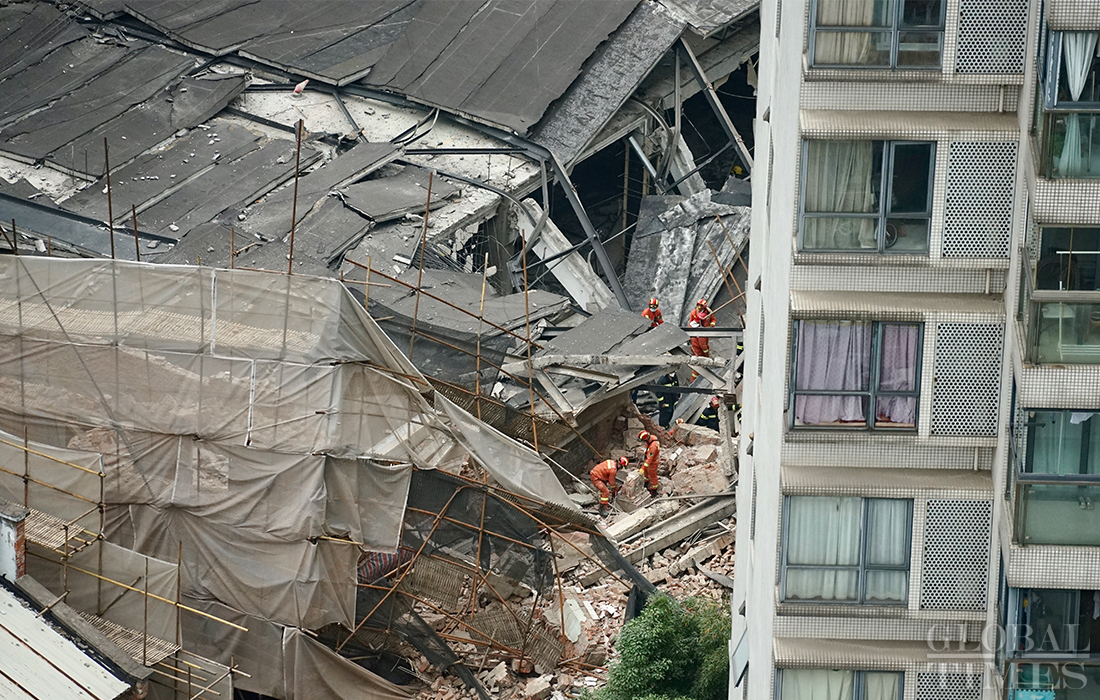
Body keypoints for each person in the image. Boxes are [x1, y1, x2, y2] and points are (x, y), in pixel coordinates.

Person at [637, 430, 660, 498]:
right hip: (649, 461)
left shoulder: (653, 446)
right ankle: (646, 484)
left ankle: (654, 491)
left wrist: (642, 468)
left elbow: (649, 459)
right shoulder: (652, 438)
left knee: (652, 476)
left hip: (652, 463)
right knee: (646, 474)